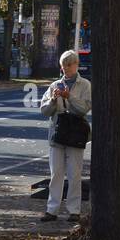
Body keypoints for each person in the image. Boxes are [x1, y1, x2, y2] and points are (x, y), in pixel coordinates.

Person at [39, 50, 92, 224]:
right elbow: (44, 110)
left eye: (70, 64)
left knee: (74, 173)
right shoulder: (55, 85)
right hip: (58, 131)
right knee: (56, 173)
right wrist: (53, 101)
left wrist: (70, 97)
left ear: (76, 65)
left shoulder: (84, 85)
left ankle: (74, 210)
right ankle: (52, 209)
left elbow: (83, 109)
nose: (66, 68)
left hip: (75, 133)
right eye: (64, 65)